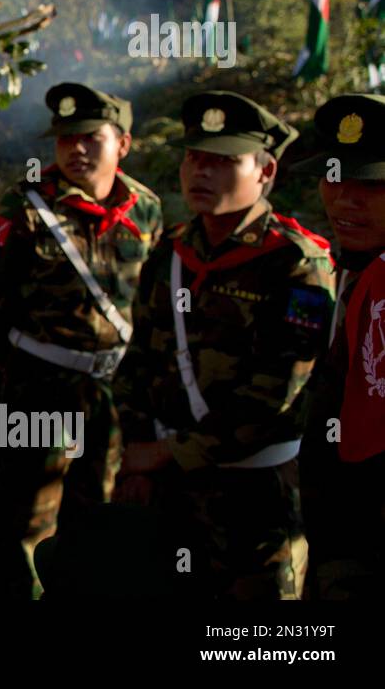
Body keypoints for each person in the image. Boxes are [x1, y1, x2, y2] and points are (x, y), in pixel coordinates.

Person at [116, 91, 333, 599]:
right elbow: (139, 359)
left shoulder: (297, 265)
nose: (202, 173)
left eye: (224, 162)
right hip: (171, 487)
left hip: (254, 492)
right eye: (195, 158)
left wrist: (167, 453)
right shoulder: (171, 250)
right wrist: (136, 450)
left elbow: (279, 391)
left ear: (265, 171)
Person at [0, 82, 162, 599]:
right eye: (64, 139)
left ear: (122, 144)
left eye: (90, 138)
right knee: (28, 517)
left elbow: (151, 306)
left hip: (114, 390)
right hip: (40, 384)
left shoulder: (145, 209)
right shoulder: (25, 206)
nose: (76, 149)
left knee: (102, 511)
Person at [295, 94, 385, 599]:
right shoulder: (349, 267)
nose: (345, 199)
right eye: (334, 178)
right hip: (336, 546)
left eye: (371, 185)